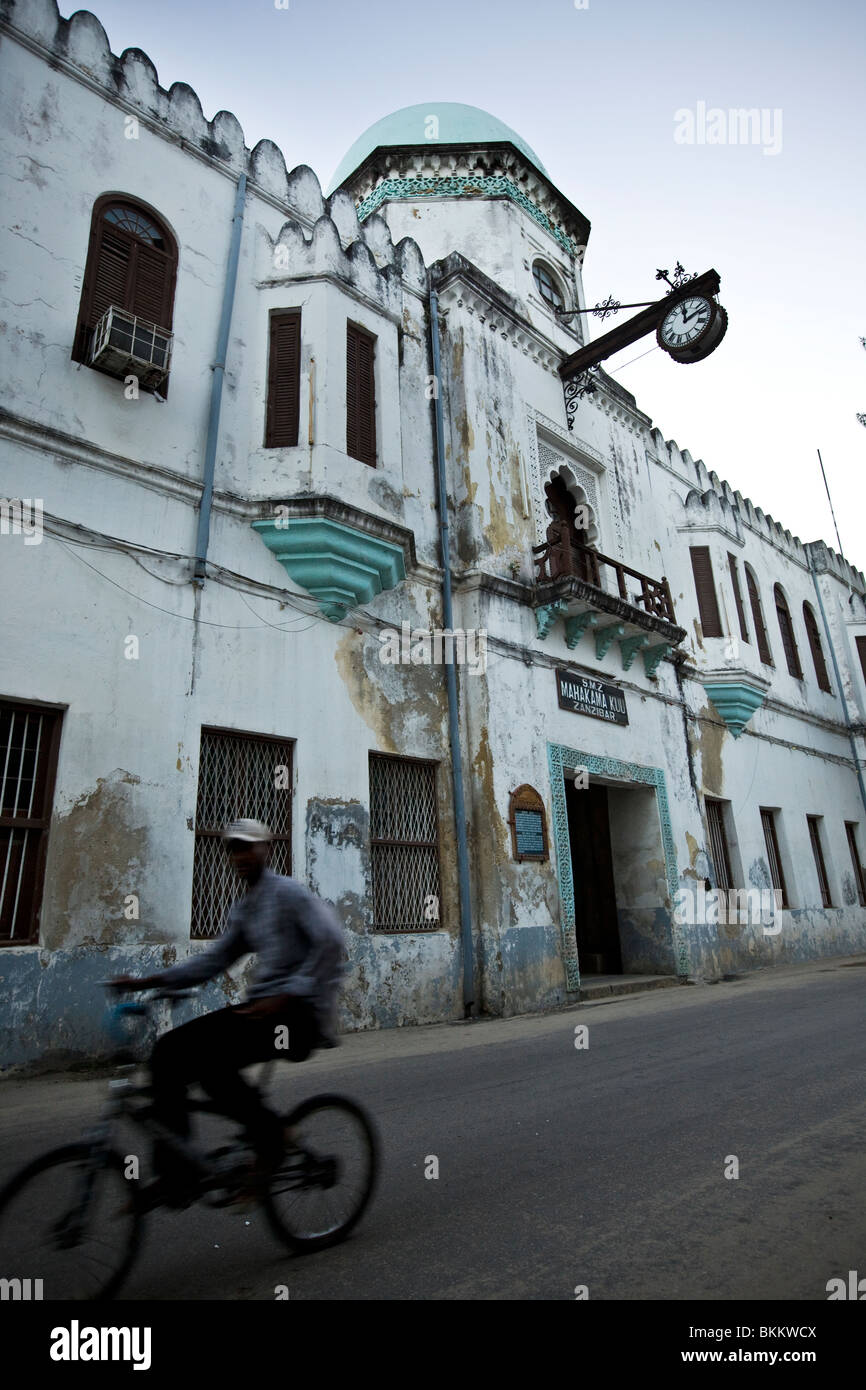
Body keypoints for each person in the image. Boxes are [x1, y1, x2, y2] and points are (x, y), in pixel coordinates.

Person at [111, 819, 346, 1205]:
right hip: (264, 1011)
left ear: (266, 849)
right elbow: (215, 960)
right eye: (233, 849)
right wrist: (150, 981)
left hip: (299, 1016)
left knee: (196, 1060)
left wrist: (288, 994)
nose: (239, 856)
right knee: (171, 1054)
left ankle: (268, 1141)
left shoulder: (290, 894)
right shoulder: (247, 908)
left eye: (247, 847)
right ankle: (180, 1172)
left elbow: (331, 944)